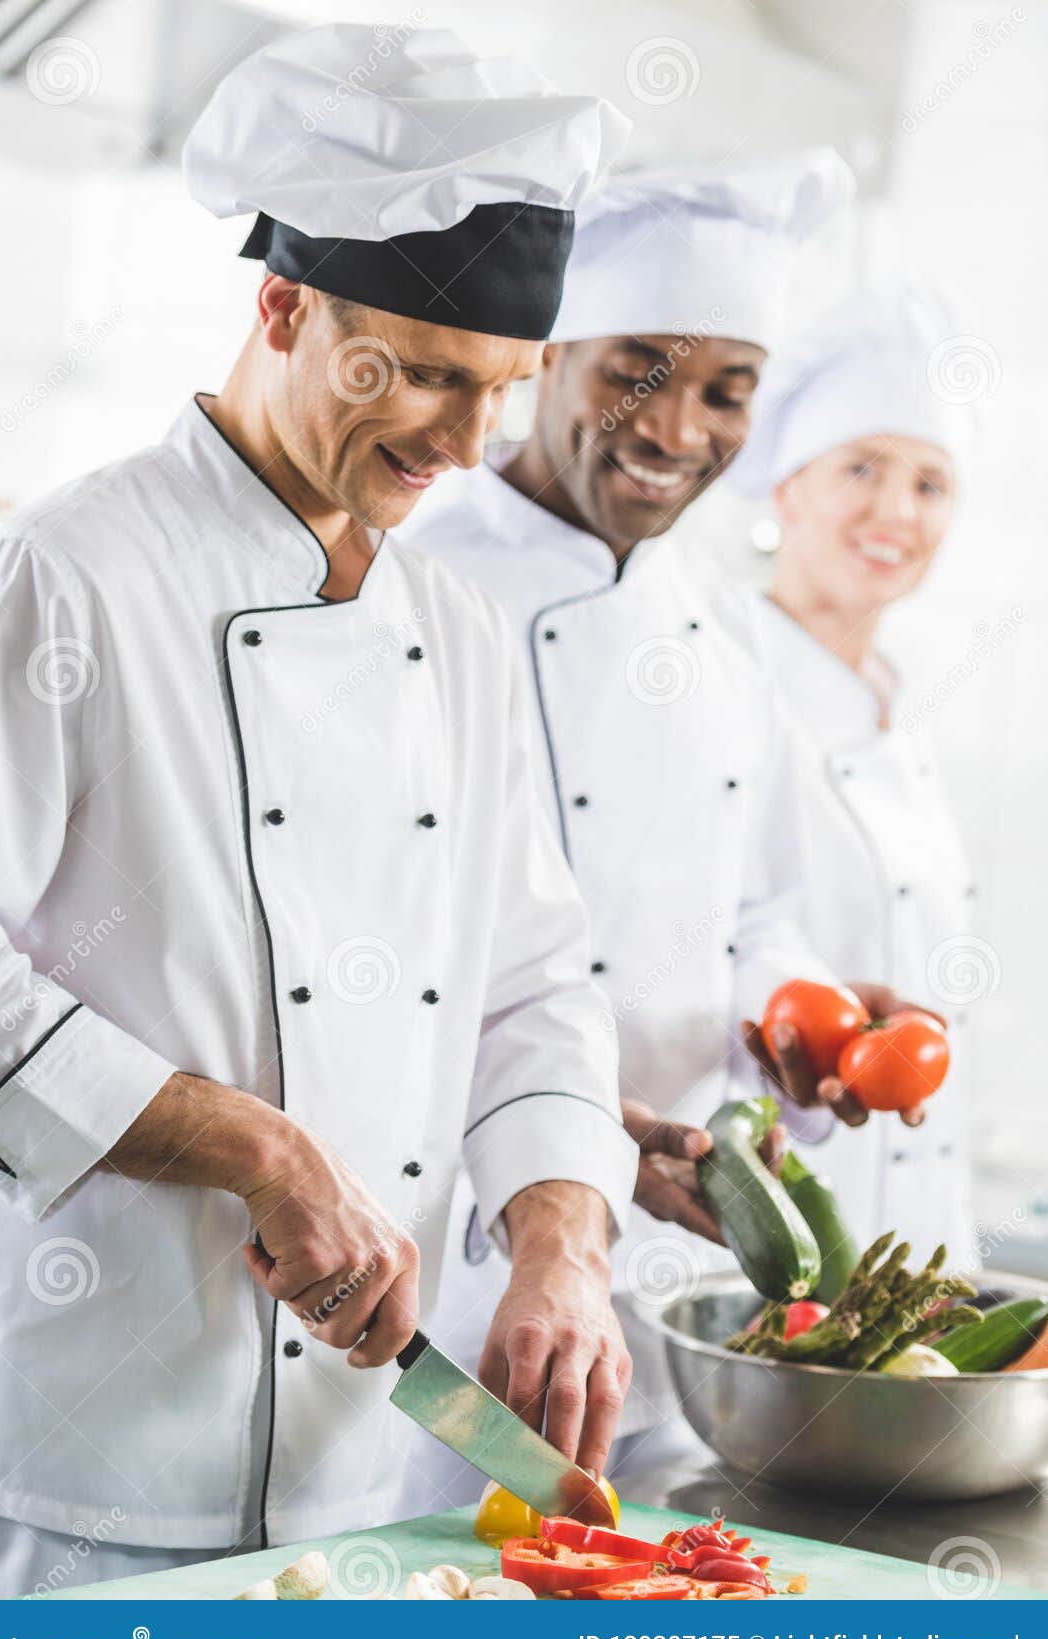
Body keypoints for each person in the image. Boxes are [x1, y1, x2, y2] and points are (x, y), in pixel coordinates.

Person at [0, 23, 639, 1596]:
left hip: (372, 1485)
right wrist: (259, 1145)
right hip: (92, 1487)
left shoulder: (457, 634)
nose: (463, 450)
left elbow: (539, 982)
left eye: (505, 393)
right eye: (419, 376)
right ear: (281, 303)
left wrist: (559, 1238)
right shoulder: (70, 572)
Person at [398, 158, 936, 1502]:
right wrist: (561, 1144)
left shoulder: (722, 638)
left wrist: (798, 1021)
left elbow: (755, 914)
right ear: (550, 355)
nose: (676, 425)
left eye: (726, 390)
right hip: (452, 1256)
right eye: (639, 369)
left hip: (680, 1259)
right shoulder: (407, 581)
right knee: (442, 1587)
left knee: (641, 1587)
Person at [726, 284, 976, 1259]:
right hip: (770, 1224)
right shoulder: (728, 671)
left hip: (917, 1236)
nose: (895, 512)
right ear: (788, 486)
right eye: (862, 468)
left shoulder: (902, 707)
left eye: (929, 483)